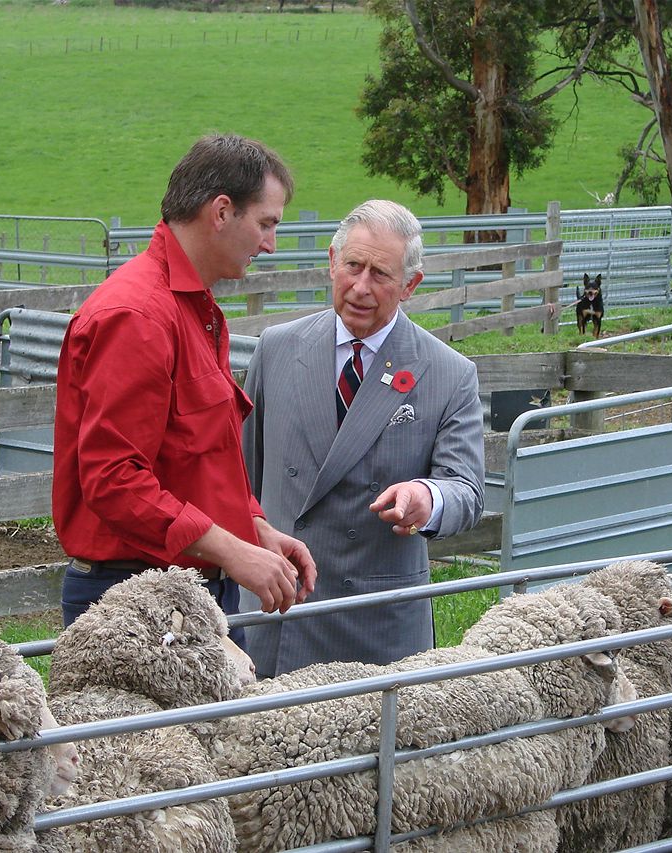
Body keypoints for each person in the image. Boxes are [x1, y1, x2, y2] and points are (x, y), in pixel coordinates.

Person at [53, 133, 317, 642]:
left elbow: (197, 458)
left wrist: (253, 528)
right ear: (221, 212)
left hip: (186, 593)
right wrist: (232, 550)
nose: (270, 244)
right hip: (135, 604)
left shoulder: (192, 309)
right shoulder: (137, 317)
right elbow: (114, 479)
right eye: (265, 224)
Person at [241, 199, 486, 677]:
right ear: (332, 261)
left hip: (378, 623)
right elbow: (240, 471)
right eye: (352, 266)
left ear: (411, 285)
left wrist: (427, 497)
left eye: (381, 274)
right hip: (282, 609)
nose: (360, 287)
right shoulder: (277, 349)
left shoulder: (448, 373)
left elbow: (468, 491)